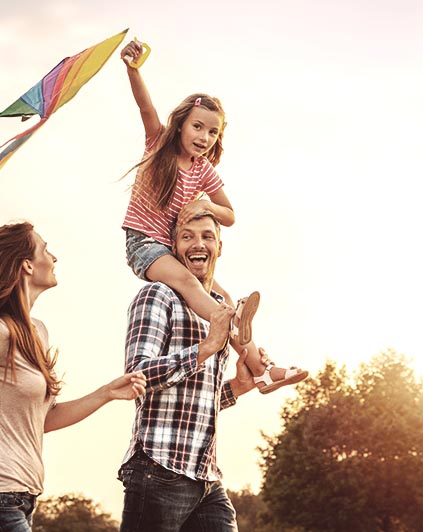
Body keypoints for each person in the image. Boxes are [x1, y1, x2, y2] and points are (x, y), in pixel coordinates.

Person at [0, 221, 148, 531]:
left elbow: (43, 420)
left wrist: (106, 393)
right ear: (27, 265)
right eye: (46, 250)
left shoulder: (38, 332)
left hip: (21, 501)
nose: (54, 257)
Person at [117, 38, 306, 393]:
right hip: (144, 244)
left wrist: (207, 206)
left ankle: (262, 372)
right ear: (180, 125)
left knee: (224, 297)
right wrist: (133, 70)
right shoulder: (159, 145)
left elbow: (229, 214)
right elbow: (145, 108)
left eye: (212, 131)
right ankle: (229, 322)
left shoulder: (203, 169)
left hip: (171, 249)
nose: (204, 137)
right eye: (198, 127)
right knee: (192, 286)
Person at [119, 212, 303, 531]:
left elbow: (195, 400)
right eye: (187, 236)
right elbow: (137, 377)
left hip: (206, 477)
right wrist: (205, 348)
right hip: (158, 470)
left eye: (206, 236)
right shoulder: (157, 295)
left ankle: (264, 374)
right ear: (173, 247)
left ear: (219, 246)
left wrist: (238, 387)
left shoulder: (218, 306)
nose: (198, 243)